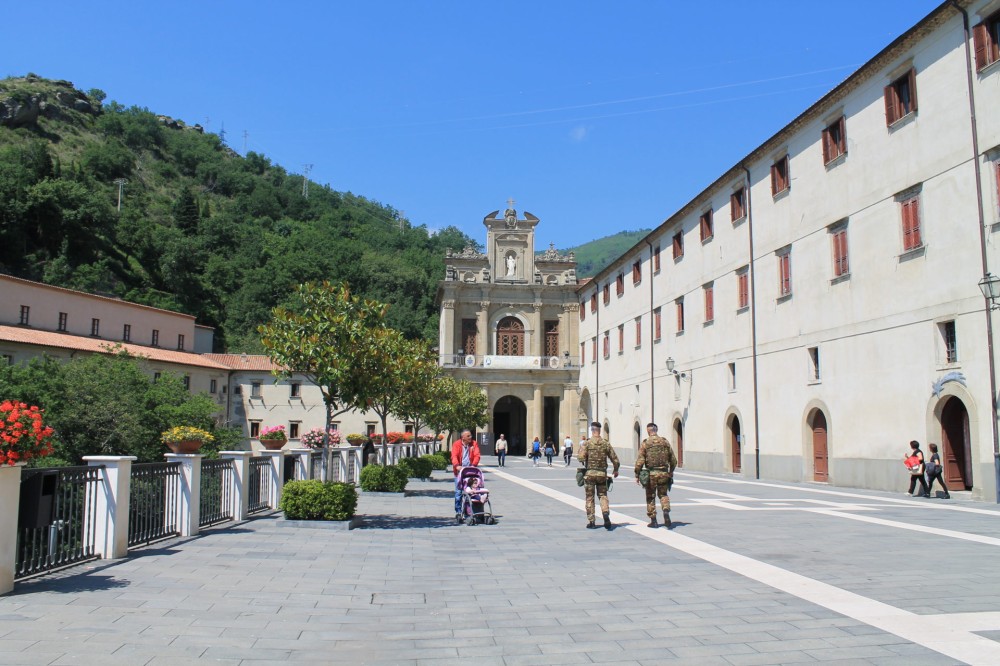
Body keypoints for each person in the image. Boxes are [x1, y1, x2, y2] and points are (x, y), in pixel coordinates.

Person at [634, 423, 678, 528]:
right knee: (663, 495)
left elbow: (640, 461)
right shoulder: (665, 442)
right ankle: (666, 511)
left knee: (650, 497)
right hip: (664, 473)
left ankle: (653, 520)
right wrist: (671, 471)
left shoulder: (646, 443)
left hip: (651, 474)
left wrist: (637, 474)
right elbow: (674, 460)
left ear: (648, 430)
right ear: (656, 430)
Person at [579, 421, 619, 530]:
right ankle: (605, 513)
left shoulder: (586, 443)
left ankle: (592, 522)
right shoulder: (605, 443)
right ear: (600, 430)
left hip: (590, 474)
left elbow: (581, 457)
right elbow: (615, 458)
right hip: (602, 474)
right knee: (603, 495)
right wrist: (616, 470)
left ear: (592, 430)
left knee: (590, 498)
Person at [451, 430, 481, 517]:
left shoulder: (474, 444)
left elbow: (477, 455)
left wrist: (473, 465)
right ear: (463, 437)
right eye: (468, 436)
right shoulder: (456, 444)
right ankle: (458, 511)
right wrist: (457, 466)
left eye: (470, 435)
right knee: (458, 492)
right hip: (459, 472)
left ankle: (470, 510)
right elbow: (454, 456)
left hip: (470, 470)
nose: (470, 437)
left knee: (472, 491)